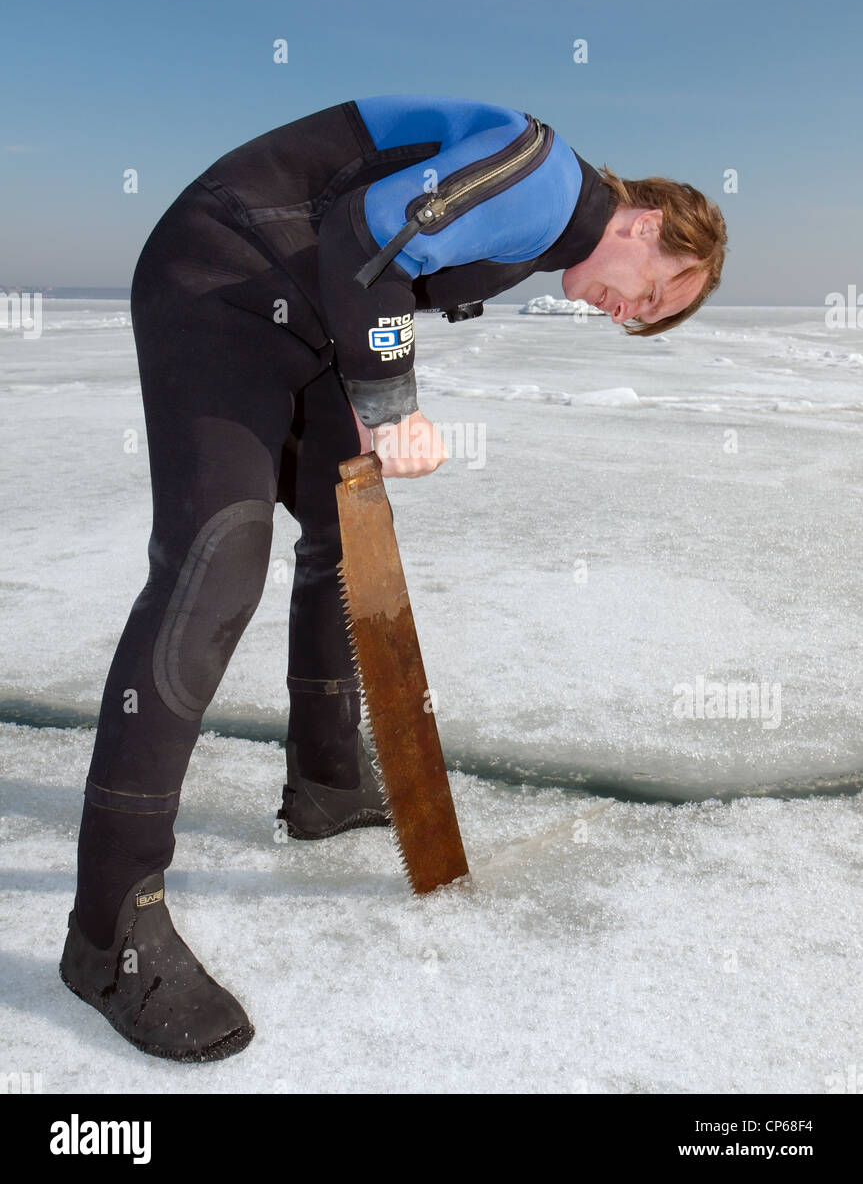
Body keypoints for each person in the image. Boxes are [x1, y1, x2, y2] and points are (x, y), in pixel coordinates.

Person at [59, 94, 727, 1062]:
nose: (629, 315)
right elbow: (369, 233)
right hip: (220, 273)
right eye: (652, 292)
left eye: (647, 322)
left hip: (297, 313)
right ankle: (107, 930)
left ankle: (326, 780)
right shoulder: (543, 177)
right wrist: (388, 397)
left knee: (342, 522)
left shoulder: (541, 233)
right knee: (216, 563)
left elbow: (377, 257)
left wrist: (374, 394)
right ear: (646, 223)